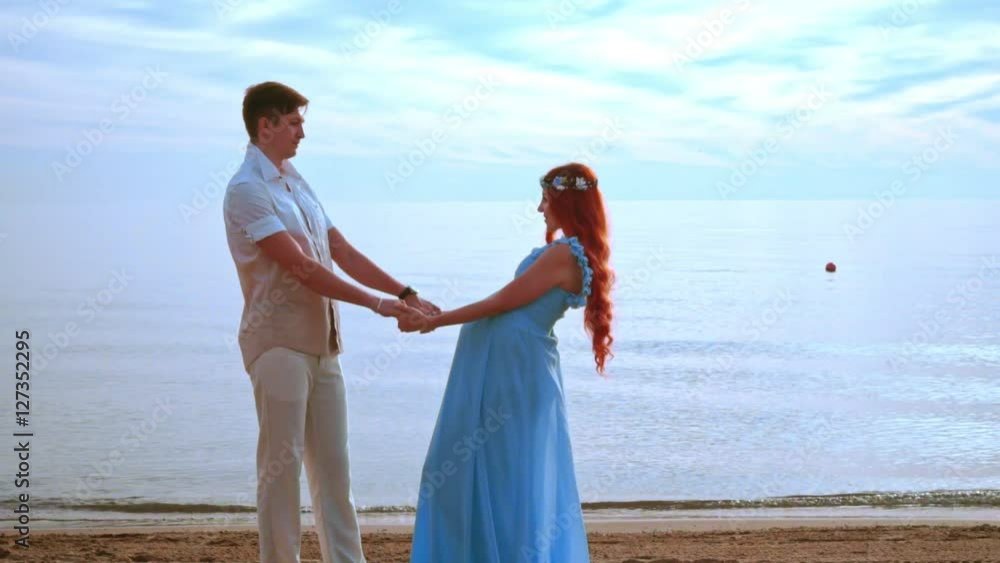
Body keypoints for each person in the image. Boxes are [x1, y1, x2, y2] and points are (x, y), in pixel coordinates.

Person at [222, 81, 439, 563]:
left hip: (324, 347)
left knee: (334, 473)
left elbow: (341, 250)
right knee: (281, 475)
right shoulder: (246, 189)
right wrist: (376, 305)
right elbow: (301, 267)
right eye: (294, 123)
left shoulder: (295, 181)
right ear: (266, 126)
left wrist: (403, 293)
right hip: (277, 346)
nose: (302, 132)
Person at [398, 162, 615, 562]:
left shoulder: (565, 255)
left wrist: (436, 321)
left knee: (498, 479)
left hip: (512, 374)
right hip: (510, 369)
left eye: (546, 200)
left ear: (566, 202)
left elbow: (504, 301)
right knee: (495, 476)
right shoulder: (569, 252)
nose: (539, 209)